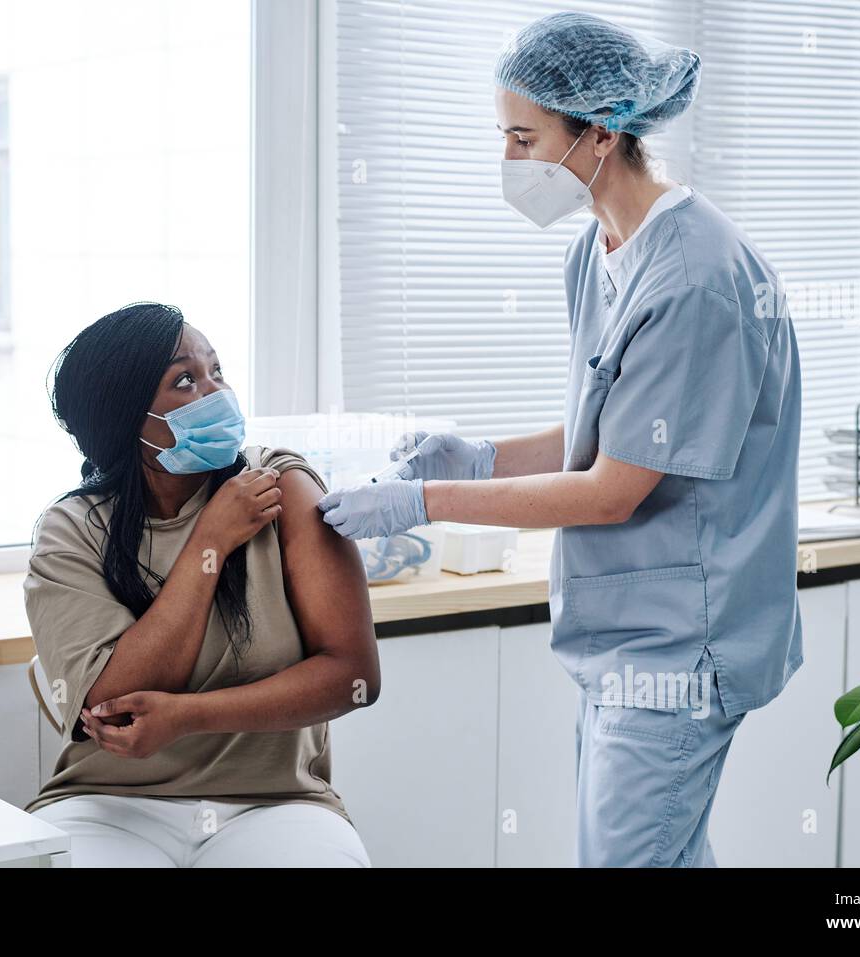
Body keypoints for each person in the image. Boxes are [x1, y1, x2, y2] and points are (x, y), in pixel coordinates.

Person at [317, 12, 802, 867]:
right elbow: (602, 437)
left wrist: (425, 501)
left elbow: (614, 490)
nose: (511, 162)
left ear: (601, 133)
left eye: (523, 137)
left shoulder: (695, 279)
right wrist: (475, 455)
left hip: (683, 640)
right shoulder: (598, 252)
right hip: (625, 634)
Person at [25, 302, 378, 867]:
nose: (215, 394)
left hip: (277, 804)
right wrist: (209, 542)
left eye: (216, 371)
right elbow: (114, 705)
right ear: (125, 419)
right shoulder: (73, 530)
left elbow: (353, 675)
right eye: (185, 380)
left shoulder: (281, 486)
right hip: (108, 804)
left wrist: (188, 716)